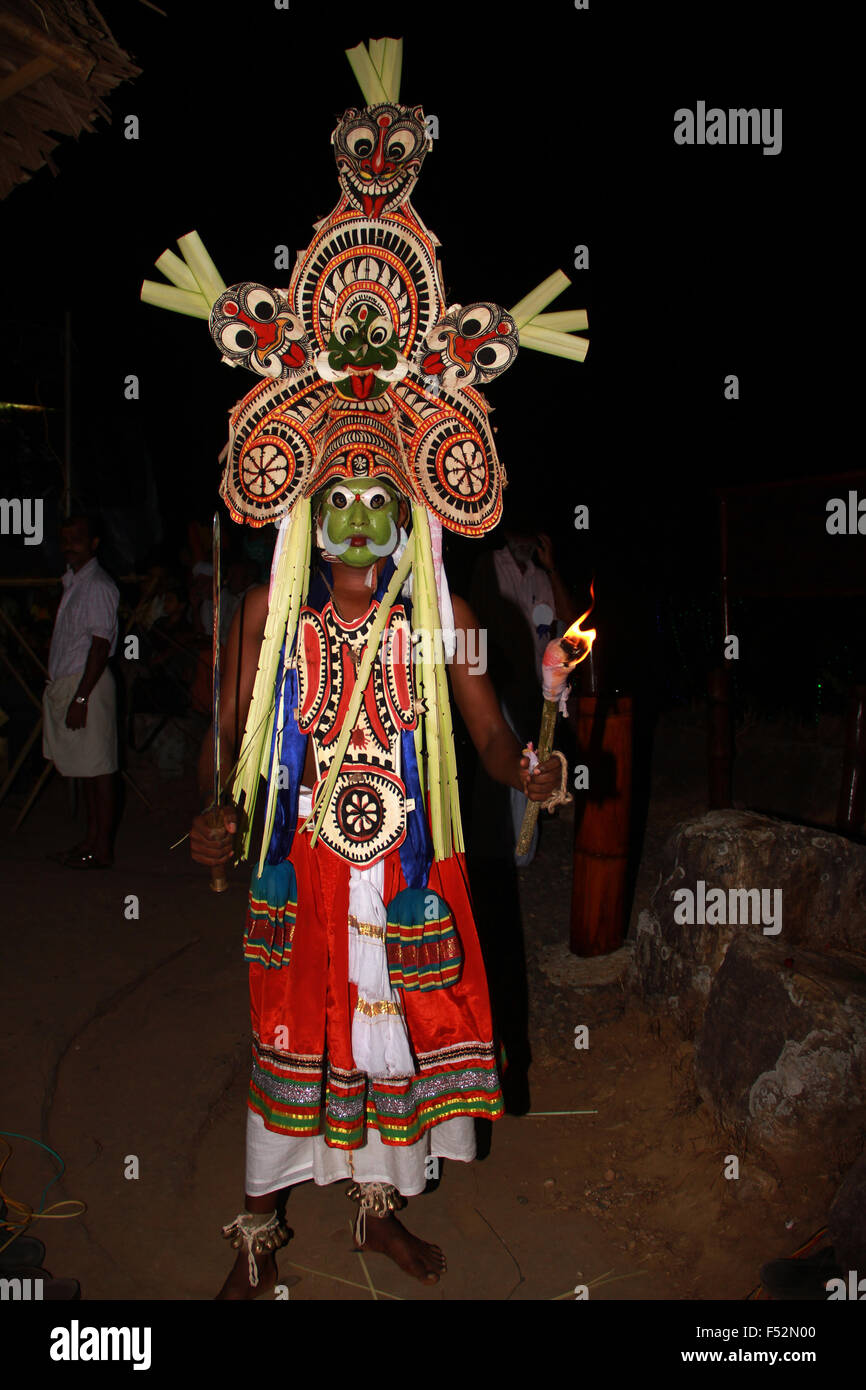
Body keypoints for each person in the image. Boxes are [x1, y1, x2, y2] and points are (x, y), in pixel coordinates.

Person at [189, 478, 563, 1297]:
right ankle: (256, 1237)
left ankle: (376, 1205)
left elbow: (493, 734)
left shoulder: (446, 620)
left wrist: (532, 772)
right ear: (309, 516)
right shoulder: (269, 613)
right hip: (306, 871)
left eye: (379, 501)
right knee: (290, 1039)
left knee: (391, 1040)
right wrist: (217, 813)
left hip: (408, 876)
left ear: (411, 516)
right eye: (340, 501)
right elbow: (227, 735)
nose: (359, 522)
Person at [43, 514, 119, 868]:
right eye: (65, 538)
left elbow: (101, 646)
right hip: (77, 683)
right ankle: (91, 842)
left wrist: (82, 697)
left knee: (100, 771)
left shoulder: (98, 585)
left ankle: (101, 849)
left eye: (77, 537)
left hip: (88, 684)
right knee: (88, 771)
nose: (69, 544)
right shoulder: (75, 584)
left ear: (93, 543)